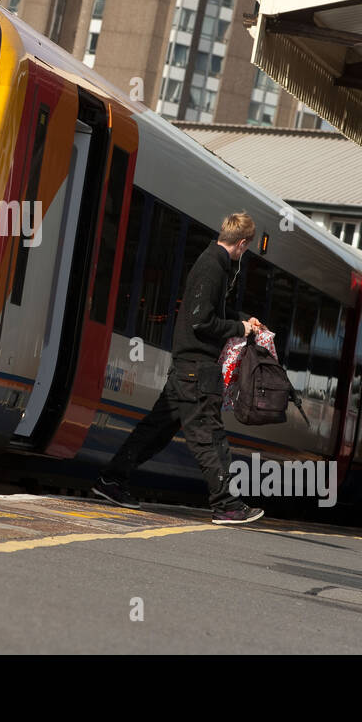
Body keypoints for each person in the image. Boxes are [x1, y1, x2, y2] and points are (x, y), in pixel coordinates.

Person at [93, 212, 266, 524]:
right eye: (246, 247)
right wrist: (239, 329)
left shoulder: (212, 264)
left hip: (187, 368)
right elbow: (202, 320)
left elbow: (210, 312)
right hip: (196, 369)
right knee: (209, 438)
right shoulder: (213, 267)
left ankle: (112, 480)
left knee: (156, 431)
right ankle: (226, 504)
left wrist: (241, 319)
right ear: (242, 243)